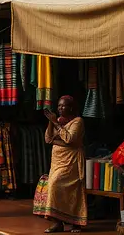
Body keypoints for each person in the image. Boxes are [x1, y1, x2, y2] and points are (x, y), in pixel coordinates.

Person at [33, 96, 87, 233]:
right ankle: (57, 222)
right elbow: (47, 138)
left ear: (71, 108)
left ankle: (75, 222)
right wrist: (52, 123)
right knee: (52, 186)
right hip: (57, 161)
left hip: (71, 161)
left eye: (63, 106)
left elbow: (69, 139)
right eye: (59, 106)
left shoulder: (78, 121)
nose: (60, 109)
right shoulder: (58, 121)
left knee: (60, 186)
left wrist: (56, 126)